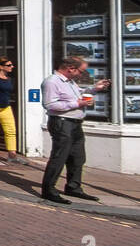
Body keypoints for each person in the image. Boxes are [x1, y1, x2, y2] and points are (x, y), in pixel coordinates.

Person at [40, 56, 110, 204]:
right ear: (71, 68)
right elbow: (50, 105)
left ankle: (73, 187)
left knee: (78, 158)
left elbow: (80, 93)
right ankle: (48, 190)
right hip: (62, 122)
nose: (81, 74)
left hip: (75, 123)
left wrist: (94, 89)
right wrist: (77, 103)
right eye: (81, 71)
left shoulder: (70, 82)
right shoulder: (52, 82)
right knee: (59, 157)